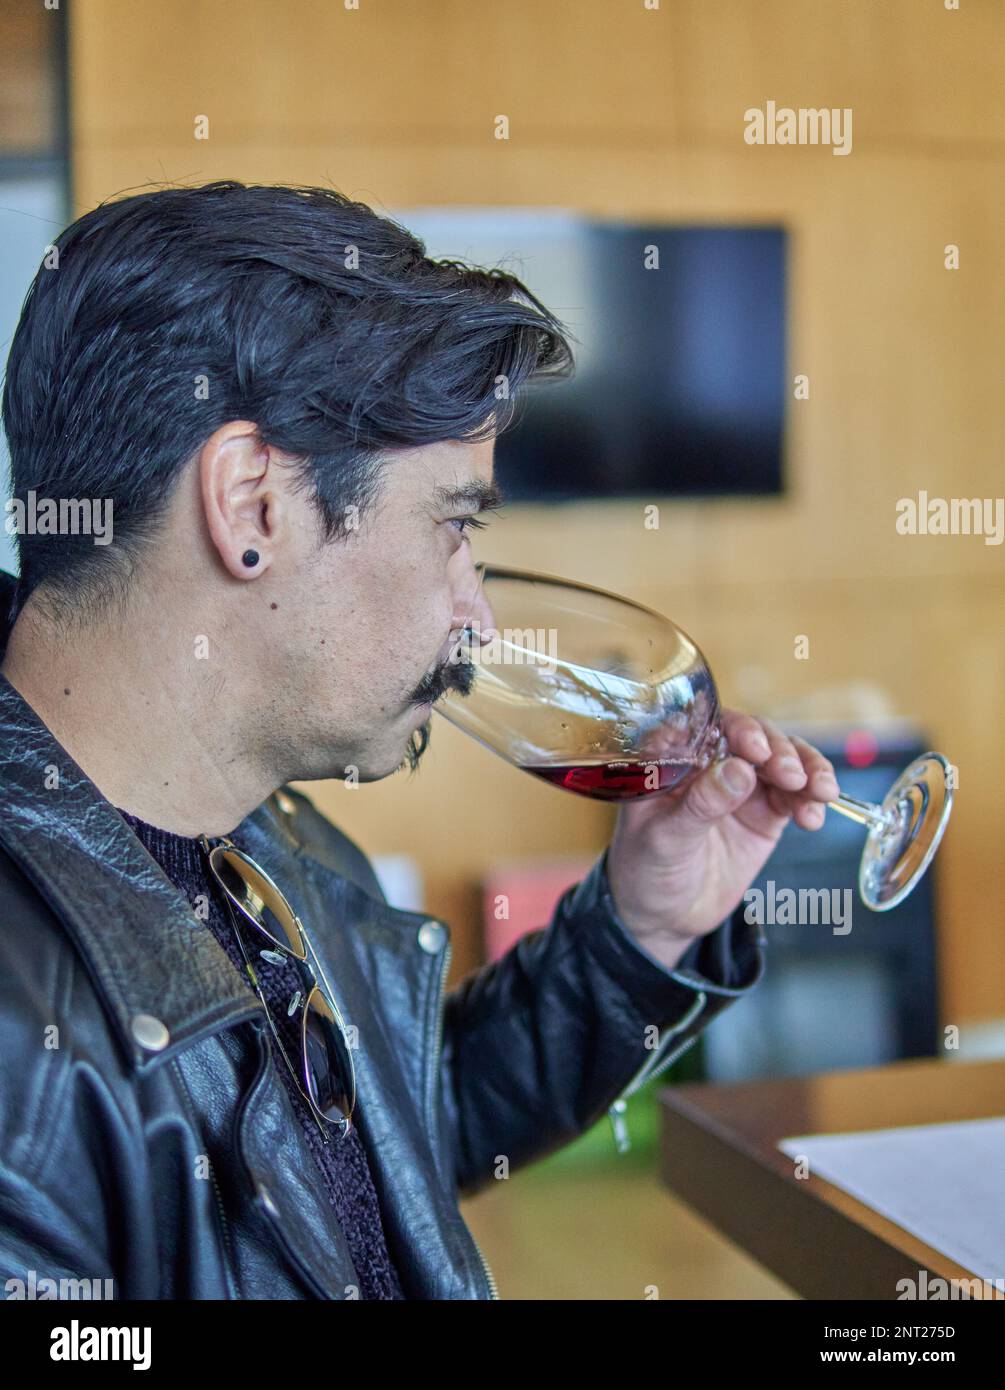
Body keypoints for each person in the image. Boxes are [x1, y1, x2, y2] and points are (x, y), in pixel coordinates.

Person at [0, 182, 838, 1300]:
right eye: (453, 524)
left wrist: (639, 928)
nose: (477, 613)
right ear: (253, 506)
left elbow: (377, 1151)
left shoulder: (269, 842)